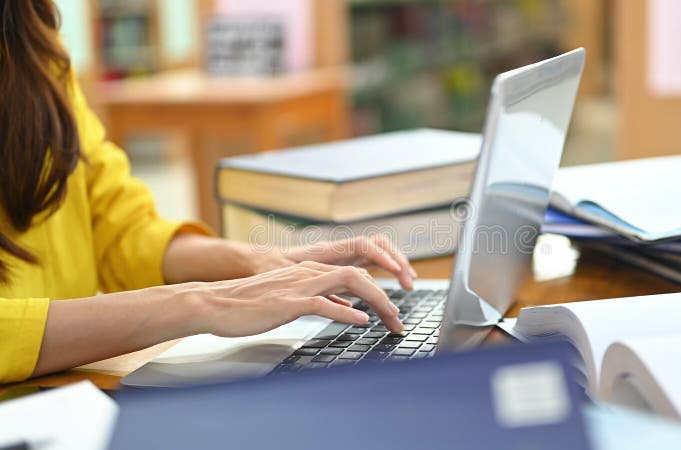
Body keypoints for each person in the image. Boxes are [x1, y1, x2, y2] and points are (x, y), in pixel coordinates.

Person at [0, 1, 415, 384]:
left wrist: (258, 261)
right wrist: (199, 304)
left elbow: (117, 232)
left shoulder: (33, 46)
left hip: (70, 386)